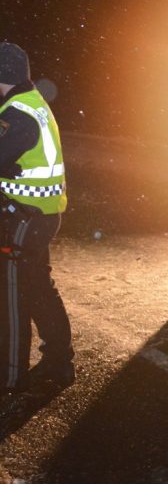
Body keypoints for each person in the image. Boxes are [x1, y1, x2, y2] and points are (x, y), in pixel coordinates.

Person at [0, 42, 73, 396]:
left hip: (28, 218)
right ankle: (59, 364)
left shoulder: (18, 115)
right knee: (39, 289)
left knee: (12, 294)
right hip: (42, 214)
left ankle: (11, 378)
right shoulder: (29, 103)